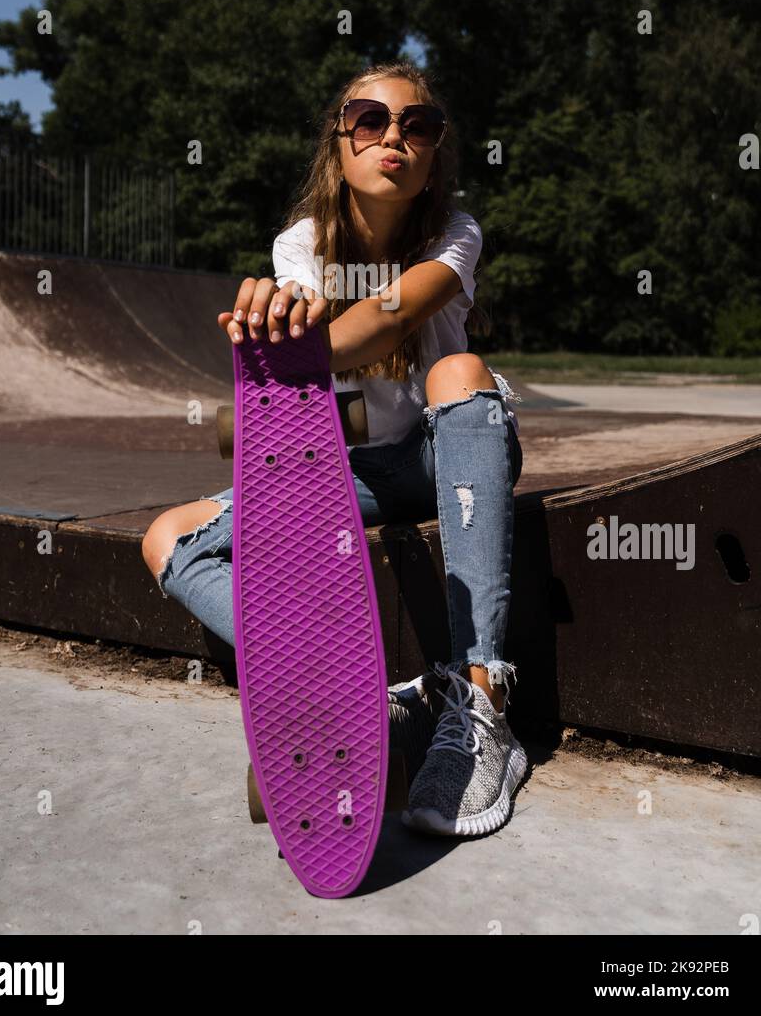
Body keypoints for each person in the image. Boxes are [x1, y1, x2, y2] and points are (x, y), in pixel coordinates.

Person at [141, 60, 527, 837]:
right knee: (169, 539)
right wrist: (270, 329)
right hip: (355, 471)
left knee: (457, 368)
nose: (394, 138)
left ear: (434, 151)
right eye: (370, 121)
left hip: (443, 455)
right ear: (339, 142)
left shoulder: (456, 234)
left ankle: (483, 702)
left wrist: (289, 352)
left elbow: (390, 312)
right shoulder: (300, 247)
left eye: (418, 126)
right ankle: (347, 690)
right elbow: (317, 386)